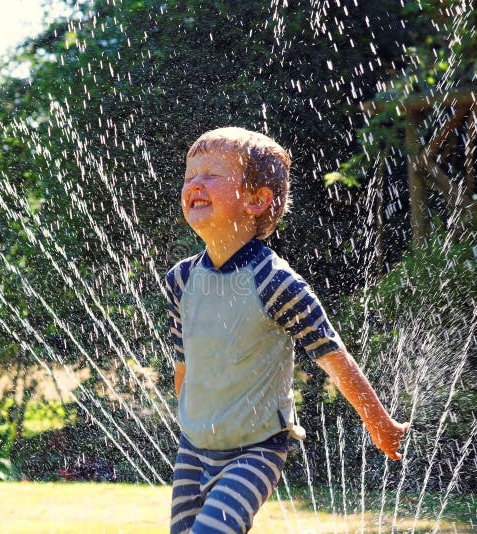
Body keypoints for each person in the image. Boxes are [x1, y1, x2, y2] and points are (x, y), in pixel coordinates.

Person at [163, 127, 409, 533]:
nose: (195, 184)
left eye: (211, 174)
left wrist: (379, 423)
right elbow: (183, 362)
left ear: (257, 200)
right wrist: (187, 418)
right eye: (191, 175)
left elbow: (333, 356)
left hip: (256, 449)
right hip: (194, 447)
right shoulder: (181, 280)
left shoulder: (275, 282)